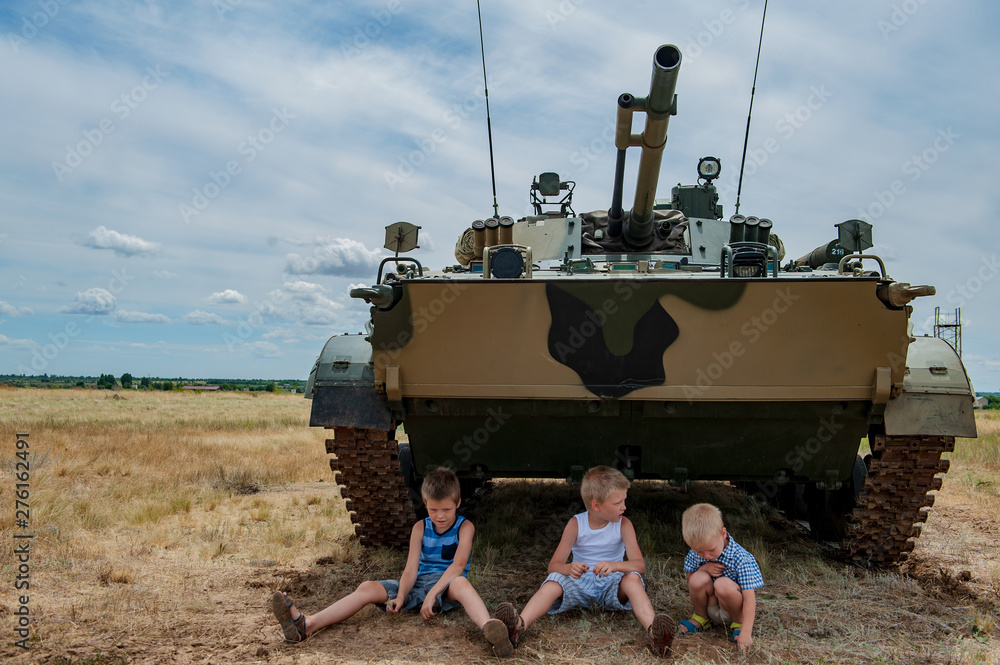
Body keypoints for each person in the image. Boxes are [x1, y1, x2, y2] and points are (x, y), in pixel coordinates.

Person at [271, 467, 514, 656]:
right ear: (426, 504)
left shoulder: (465, 527)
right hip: (418, 584)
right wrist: (400, 596)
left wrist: (432, 595)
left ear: (458, 503)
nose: (440, 516)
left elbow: (458, 566)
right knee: (367, 587)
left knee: (461, 583)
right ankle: (306, 626)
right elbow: (410, 570)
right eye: (433, 510)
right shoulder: (420, 528)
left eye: (447, 510)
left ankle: (491, 632)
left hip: (446, 586)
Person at [493, 465, 674, 656]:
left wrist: (615, 566)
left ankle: (655, 632)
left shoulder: (624, 525)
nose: (624, 507)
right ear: (596, 505)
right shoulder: (576, 524)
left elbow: (639, 565)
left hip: (611, 586)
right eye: (618, 503)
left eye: (624, 501)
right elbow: (554, 566)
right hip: (578, 585)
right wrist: (569, 568)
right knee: (554, 581)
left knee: (633, 579)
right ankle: (519, 626)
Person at [676, 502, 763, 651]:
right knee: (697, 577)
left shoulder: (741, 558)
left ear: (723, 534)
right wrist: (703, 569)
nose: (706, 556)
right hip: (710, 604)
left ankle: (738, 624)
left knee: (722, 584)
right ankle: (701, 618)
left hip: (733, 609)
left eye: (711, 550)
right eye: (699, 552)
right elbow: (691, 579)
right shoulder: (698, 551)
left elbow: (749, 598)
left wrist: (747, 632)